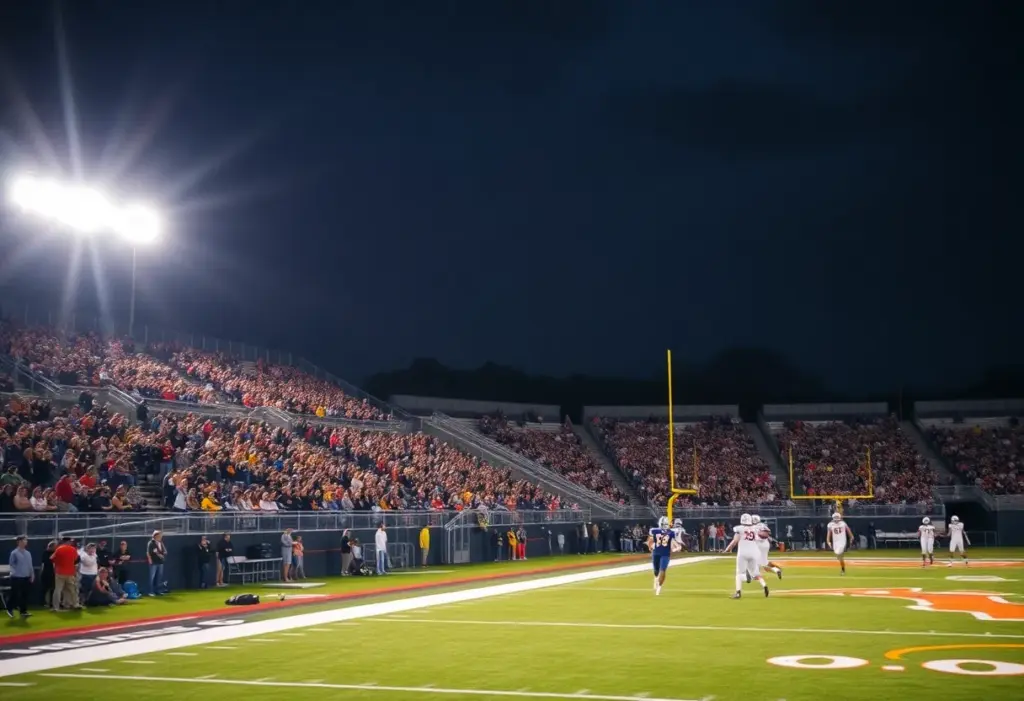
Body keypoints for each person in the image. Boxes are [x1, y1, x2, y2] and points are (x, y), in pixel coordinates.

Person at [724, 513, 769, 599]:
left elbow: (735, 541)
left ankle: (738, 593)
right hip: (754, 553)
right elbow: (764, 535)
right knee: (755, 573)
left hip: (743, 553)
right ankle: (764, 585)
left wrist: (728, 549)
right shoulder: (755, 528)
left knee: (739, 574)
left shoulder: (739, 529)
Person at [646, 516, 680, 596]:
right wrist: (650, 546)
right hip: (656, 553)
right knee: (656, 571)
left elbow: (649, 540)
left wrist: (650, 546)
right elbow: (650, 540)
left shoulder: (655, 531)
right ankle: (656, 578)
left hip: (665, 554)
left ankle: (659, 588)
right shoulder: (669, 532)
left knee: (663, 570)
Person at [6, 535, 33, 618]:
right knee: (15, 594)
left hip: (26, 577)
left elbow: (30, 565)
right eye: (24, 540)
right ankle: (9, 609)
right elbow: (11, 564)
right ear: (19, 542)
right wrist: (15, 573)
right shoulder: (14, 553)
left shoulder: (28, 553)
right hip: (16, 577)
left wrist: (32, 575)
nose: (26, 542)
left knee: (25, 595)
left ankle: (23, 611)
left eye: (26, 540)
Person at [51, 536, 81, 611]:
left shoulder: (59, 549)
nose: (71, 542)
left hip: (59, 572)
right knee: (72, 589)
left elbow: (52, 559)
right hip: (70, 572)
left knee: (58, 590)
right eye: (70, 541)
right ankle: (75, 604)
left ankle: (56, 607)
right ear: (68, 541)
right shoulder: (73, 549)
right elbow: (76, 559)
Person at [146, 530, 167, 596]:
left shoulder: (161, 543)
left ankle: (158, 591)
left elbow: (164, 552)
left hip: (160, 562)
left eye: (161, 535)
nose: (161, 537)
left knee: (159, 577)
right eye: (159, 535)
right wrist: (150, 560)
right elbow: (148, 553)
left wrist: (162, 555)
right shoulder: (151, 543)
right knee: (152, 578)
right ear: (156, 536)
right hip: (154, 562)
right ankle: (151, 592)